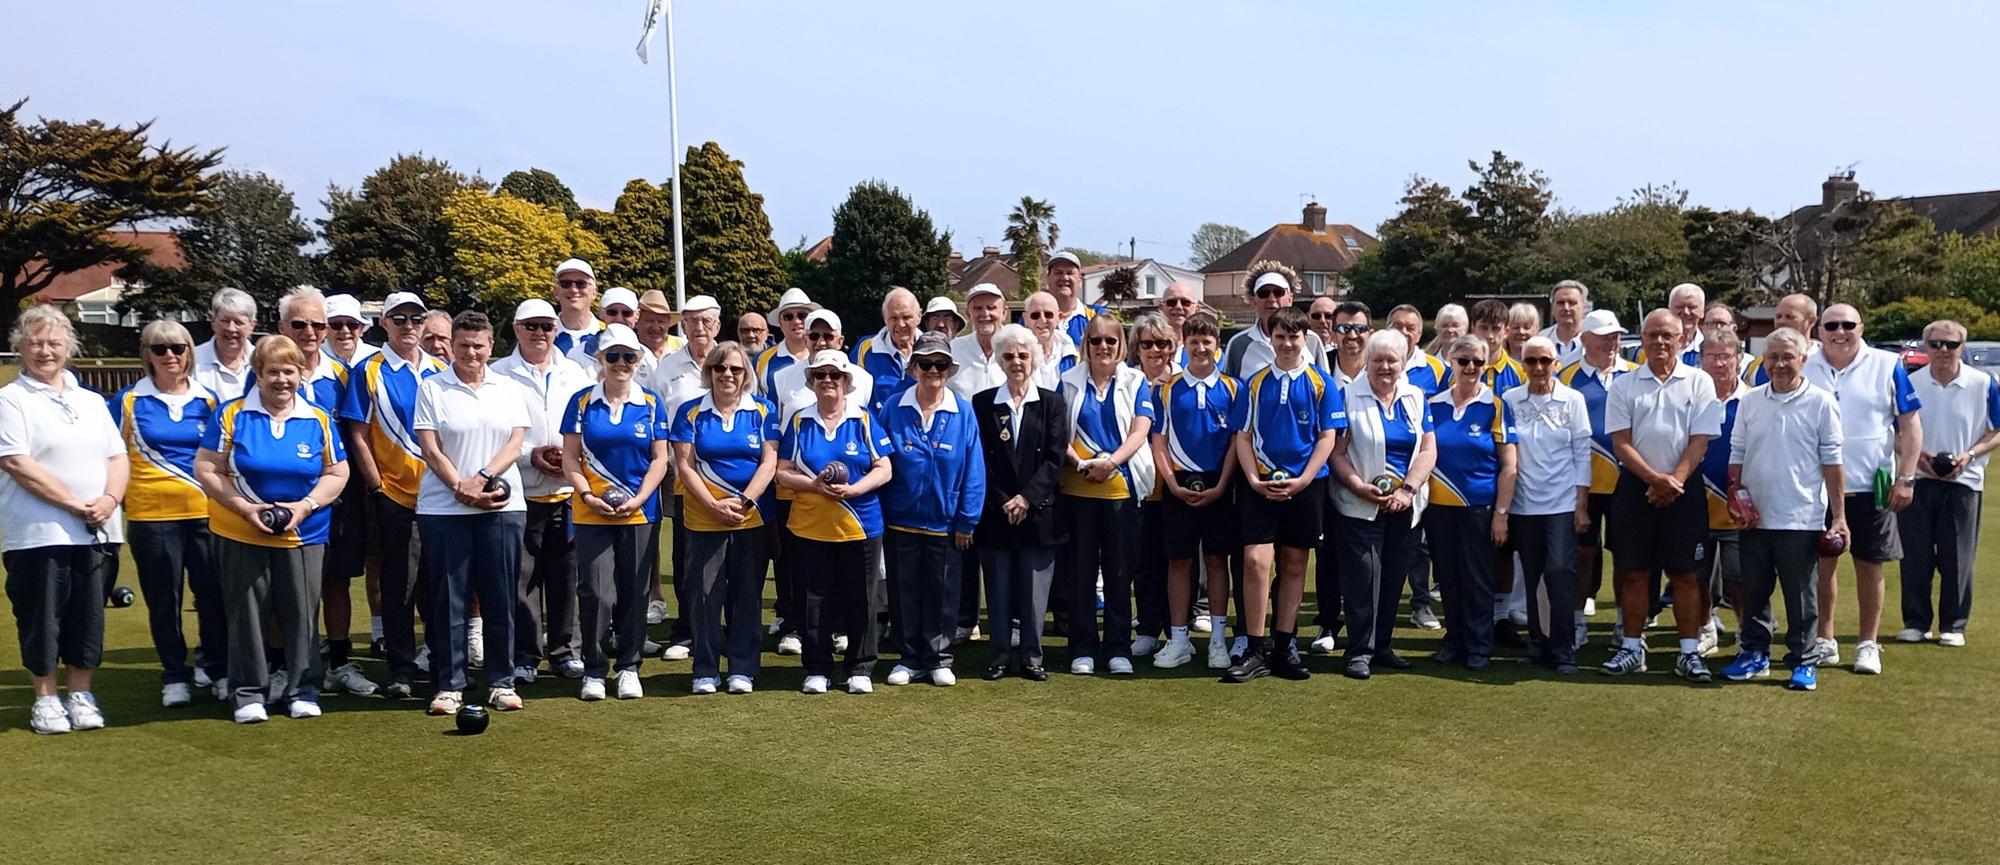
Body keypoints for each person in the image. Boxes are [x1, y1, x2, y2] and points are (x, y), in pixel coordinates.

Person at [194, 334, 349, 724]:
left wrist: (305, 506)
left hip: (305, 532)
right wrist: (245, 508)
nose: (282, 380)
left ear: (301, 374)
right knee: (247, 613)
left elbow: (337, 471)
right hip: (240, 530)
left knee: (301, 613)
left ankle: (302, 689)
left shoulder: (317, 418)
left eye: (290, 371)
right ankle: (249, 693)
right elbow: (207, 468)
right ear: (258, 374)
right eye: (272, 371)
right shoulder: (231, 414)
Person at [0, 306, 128, 734]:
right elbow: (17, 463)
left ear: (69, 347)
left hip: (97, 532)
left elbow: (117, 456)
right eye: (35, 342)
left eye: (54, 342)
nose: (44, 351)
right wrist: (76, 504)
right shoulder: (10, 399)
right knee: (41, 617)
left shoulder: (91, 401)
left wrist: (110, 499)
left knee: (87, 617)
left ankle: (81, 695)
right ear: (20, 347)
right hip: (37, 534)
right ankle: (46, 700)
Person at [413, 311, 530, 716]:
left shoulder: (508, 387)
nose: (470, 353)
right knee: (449, 599)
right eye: (463, 345)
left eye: (478, 346)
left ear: (490, 347)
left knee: (500, 596)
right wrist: (459, 487)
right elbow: (430, 448)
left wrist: (480, 479)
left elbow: (515, 443)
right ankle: (449, 685)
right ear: (452, 346)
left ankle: (502, 681)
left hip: (501, 506)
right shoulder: (432, 387)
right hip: (444, 508)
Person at [1721, 327, 1846, 692]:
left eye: (1787, 357)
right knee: (1754, 591)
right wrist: (1736, 496)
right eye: (1772, 357)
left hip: (1801, 516)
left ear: (1803, 360)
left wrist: (1838, 516)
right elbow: (1737, 454)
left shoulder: (1822, 402)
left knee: (1801, 596)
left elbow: (1833, 461)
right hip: (1754, 517)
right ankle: (1755, 654)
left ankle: (1804, 660)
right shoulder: (1751, 400)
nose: (1778, 364)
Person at [1603, 310, 1721, 681]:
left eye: (1667, 335)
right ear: (1642, 338)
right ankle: (1632, 648)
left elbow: (1700, 441)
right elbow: (1620, 443)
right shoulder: (1624, 385)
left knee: (1686, 575)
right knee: (1635, 573)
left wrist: (1673, 482)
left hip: (1683, 491)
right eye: (1652, 334)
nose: (1659, 342)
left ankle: (1688, 653)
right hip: (1636, 490)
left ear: (1681, 339)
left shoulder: (1700, 382)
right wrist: (1656, 480)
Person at [339, 291, 447, 698]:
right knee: (399, 584)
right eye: (399, 319)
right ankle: (402, 668)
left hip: (441, 496)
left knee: (439, 585)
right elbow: (357, 434)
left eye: (416, 319)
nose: (409, 327)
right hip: (395, 496)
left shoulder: (440, 369)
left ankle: (441, 664)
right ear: (383, 323)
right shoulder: (370, 370)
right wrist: (377, 487)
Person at [1804, 303, 1921, 675]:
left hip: (1873, 485)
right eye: (1831, 325)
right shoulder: (1804, 362)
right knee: (1821, 567)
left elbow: (1910, 426)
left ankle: (1868, 644)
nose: (1840, 332)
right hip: (1814, 487)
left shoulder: (1887, 365)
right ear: (1818, 329)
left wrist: (1906, 477)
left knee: (1870, 566)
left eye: (1848, 325)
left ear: (1861, 327)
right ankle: (1825, 639)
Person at [1226, 307, 1340, 682]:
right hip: (1259, 486)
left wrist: (1306, 478)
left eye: (1294, 336)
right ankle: (1254, 648)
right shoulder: (1254, 383)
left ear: (1305, 339)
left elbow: (1328, 437)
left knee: (1293, 566)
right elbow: (1242, 436)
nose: (1287, 343)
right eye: (1280, 337)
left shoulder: (1323, 382)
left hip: (1306, 486)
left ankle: (1284, 645)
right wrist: (1254, 479)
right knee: (1256, 563)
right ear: (1271, 340)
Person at [115, 320, 226, 706]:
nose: (170, 356)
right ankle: (174, 674)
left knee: (213, 594)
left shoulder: (209, 400)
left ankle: (214, 666)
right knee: (165, 598)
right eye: (160, 348)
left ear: (189, 353)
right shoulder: (128, 401)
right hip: (151, 515)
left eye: (178, 348)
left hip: (205, 513)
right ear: (146, 353)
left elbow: (221, 458)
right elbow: (111, 456)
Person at [559, 324, 672, 699]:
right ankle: (595, 668)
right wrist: (588, 495)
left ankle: (628, 666)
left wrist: (639, 499)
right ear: (599, 360)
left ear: (638, 360)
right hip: (592, 511)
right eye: (613, 356)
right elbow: (570, 458)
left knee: (635, 592)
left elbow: (660, 460)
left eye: (628, 356)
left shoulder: (652, 402)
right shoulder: (580, 402)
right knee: (595, 591)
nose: (621, 363)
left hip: (639, 512)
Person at [273, 287, 375, 695]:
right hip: (281, 497)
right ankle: (284, 667)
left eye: (320, 324)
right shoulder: (268, 374)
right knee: (286, 584)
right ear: (283, 327)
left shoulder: (344, 376)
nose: (312, 332)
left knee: (336, 581)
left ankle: (339, 662)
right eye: (301, 324)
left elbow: (355, 437)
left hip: (336, 497)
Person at [775, 350, 893, 695]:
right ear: (811, 382)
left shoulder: (864, 419)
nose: (828, 380)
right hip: (810, 525)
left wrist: (854, 489)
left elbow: (884, 468)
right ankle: (817, 667)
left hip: (861, 524)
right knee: (814, 599)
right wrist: (812, 485)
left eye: (835, 375)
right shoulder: (799, 421)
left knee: (861, 598)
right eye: (821, 375)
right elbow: (783, 472)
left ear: (846, 382)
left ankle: (859, 667)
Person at [492, 298, 594, 683]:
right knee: (523, 578)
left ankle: (566, 652)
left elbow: (587, 429)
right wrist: (529, 455)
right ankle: (526, 656)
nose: (540, 333)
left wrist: (570, 459)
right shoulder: (499, 373)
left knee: (568, 577)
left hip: (568, 491)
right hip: (519, 491)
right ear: (516, 329)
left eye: (547, 326)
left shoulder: (577, 373)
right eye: (531, 326)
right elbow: (496, 434)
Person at [669, 341, 778, 694]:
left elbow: (769, 461)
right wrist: (714, 505)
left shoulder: (762, 410)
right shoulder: (689, 411)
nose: (727, 375)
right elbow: (684, 466)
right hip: (703, 516)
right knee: (703, 594)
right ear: (709, 372)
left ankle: (742, 667)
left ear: (746, 374)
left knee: (746, 593)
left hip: (751, 515)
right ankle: (705, 669)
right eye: (720, 368)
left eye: (735, 369)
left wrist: (746, 500)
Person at [878, 332, 985, 687]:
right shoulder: (893, 408)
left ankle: (939, 657)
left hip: (946, 521)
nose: (933, 370)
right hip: (900, 519)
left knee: (942, 592)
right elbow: (880, 461)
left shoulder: (963, 411)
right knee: (904, 592)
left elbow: (974, 469)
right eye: (926, 363)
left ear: (950, 370)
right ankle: (909, 658)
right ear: (914, 367)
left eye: (940, 364)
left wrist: (967, 520)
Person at [1056, 315, 1156, 676]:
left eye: (1110, 341)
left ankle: (1118, 648)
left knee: (1118, 573)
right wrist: (1082, 464)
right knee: (1080, 573)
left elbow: (1140, 429)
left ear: (1121, 346)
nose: (1103, 347)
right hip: (1077, 489)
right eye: (1096, 341)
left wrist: (1110, 463)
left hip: (1121, 490)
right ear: (1086, 344)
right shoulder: (1067, 381)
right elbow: (1058, 431)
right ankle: (1082, 647)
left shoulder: (1135, 380)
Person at [971, 324, 1068, 681]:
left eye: (1023, 355)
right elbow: (980, 459)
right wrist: (1004, 501)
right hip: (997, 514)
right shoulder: (982, 404)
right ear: (999, 360)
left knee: (1033, 595)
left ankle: (1032, 658)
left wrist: (1026, 499)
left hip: (1039, 513)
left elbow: (1055, 458)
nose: (1016, 362)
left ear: (1035, 358)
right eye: (1009, 356)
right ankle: (998, 657)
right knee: (997, 592)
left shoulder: (1052, 402)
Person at [1898, 320, 2000, 648]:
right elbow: (1896, 432)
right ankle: (1916, 622)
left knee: (1958, 555)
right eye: (1937, 344)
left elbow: (1996, 429)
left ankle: (1953, 624)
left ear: (1962, 348)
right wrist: (1919, 456)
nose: (1943, 351)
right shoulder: (1910, 382)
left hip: (1964, 480)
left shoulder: (1983, 383)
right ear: (1926, 347)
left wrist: (1969, 455)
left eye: (1951, 345)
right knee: (1915, 554)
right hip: (1918, 477)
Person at [1149, 313, 1239, 668]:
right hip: (1179, 483)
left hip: (1219, 483)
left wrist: (1221, 485)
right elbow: (1159, 440)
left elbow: (1236, 440)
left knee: (1217, 560)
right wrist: (1171, 483)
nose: (1201, 348)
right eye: (1194, 342)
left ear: (1218, 345)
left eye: (1207, 341)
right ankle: (1179, 639)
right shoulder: (1168, 389)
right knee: (1179, 561)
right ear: (1184, 345)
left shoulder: (1233, 388)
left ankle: (1218, 640)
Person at [1419, 335, 1513, 670]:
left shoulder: (1496, 405)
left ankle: (1479, 645)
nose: (1470, 367)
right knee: (1448, 576)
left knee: (1477, 577)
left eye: (1477, 361)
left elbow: (1509, 466)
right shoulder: (1433, 404)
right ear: (1450, 361)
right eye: (1463, 361)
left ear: (1485, 365)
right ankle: (1454, 640)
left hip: (1479, 507)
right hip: (1439, 507)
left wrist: (1501, 513)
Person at [1501, 336, 1589, 673]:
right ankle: (1538, 643)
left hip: (1561, 503)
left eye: (1545, 361)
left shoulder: (1572, 400)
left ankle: (1563, 647)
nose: (1538, 368)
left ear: (1556, 363)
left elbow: (1582, 453)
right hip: (1524, 504)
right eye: (1531, 361)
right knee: (1533, 573)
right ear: (1523, 364)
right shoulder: (1509, 400)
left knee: (1558, 572)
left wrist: (1581, 504)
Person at [1557, 309, 1637, 645]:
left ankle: (1623, 621)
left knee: (1626, 555)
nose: (1612, 341)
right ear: (1585, 339)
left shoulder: (1635, 373)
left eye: (1616, 335)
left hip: (1627, 482)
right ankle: (1576, 621)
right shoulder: (1566, 376)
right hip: (1581, 484)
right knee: (1582, 554)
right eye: (1604, 335)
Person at [948, 283, 1011, 641]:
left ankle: (1006, 619)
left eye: (992, 307)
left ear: (1004, 311)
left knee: (1003, 544)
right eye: (978, 308)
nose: (985, 314)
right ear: (968, 313)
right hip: (964, 461)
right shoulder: (955, 350)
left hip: (1007, 463)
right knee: (965, 540)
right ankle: (964, 618)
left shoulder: (1015, 345)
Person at [1691, 327, 1746, 657]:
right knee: (1697, 575)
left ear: (1738, 360)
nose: (1719, 363)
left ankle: (1746, 630)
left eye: (1726, 356)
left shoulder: (1753, 399)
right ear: (1701, 360)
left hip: (1739, 504)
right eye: (1712, 356)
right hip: (1695, 499)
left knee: (1739, 576)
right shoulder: (1690, 397)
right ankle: (1705, 626)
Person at [1128, 312, 1180, 657]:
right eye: (1147, 343)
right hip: (1138, 486)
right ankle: (1147, 626)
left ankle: (1178, 626)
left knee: (1177, 558)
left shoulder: (1181, 382)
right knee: (1143, 561)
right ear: (1136, 347)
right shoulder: (1127, 382)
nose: (1155, 350)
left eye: (1162, 343)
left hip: (1176, 483)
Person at [1222, 269, 1327, 381]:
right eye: (1264, 294)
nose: (1271, 299)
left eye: (1278, 292)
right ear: (1254, 302)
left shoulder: (1312, 340)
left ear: (1290, 298)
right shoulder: (1238, 344)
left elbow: (1324, 385)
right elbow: (1229, 391)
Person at [773, 309, 875, 420]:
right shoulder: (782, 378)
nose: (821, 343)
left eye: (828, 336)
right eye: (814, 336)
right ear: (805, 340)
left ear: (840, 341)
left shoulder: (864, 379)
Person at [853, 287, 921, 414]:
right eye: (894, 318)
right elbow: (854, 396)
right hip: (878, 429)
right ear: (885, 319)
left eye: (906, 317)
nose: (901, 324)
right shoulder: (866, 349)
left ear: (919, 317)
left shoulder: (930, 350)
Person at [1743, 293, 1821, 386]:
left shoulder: (1826, 361)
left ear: (1811, 321)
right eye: (1778, 316)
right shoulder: (1758, 366)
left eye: (1789, 317)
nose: (1781, 321)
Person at [194, 287, 257, 401]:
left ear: (252, 325)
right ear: (213, 322)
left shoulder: (262, 360)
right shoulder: (192, 360)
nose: (231, 328)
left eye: (238, 322)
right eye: (225, 321)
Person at [756, 287, 819, 396]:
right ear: (780, 323)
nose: (796, 321)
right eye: (788, 317)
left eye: (802, 315)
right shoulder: (761, 360)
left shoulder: (825, 355)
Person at [566, 287, 641, 375]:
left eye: (627, 313)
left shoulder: (647, 359)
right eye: (612, 312)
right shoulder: (577, 355)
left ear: (637, 315)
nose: (619, 318)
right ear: (601, 313)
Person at [1023, 291, 1081, 392]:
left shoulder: (1075, 356)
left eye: (1048, 314)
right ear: (1025, 318)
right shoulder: (1014, 355)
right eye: (1035, 315)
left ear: (1058, 317)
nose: (1042, 320)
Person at [1466, 299, 1524, 395]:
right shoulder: (1459, 370)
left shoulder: (1521, 372)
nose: (1490, 336)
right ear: (1473, 329)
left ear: (1506, 331)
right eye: (1484, 328)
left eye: (1496, 328)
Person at [552, 258, 605, 356]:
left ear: (594, 292)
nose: (574, 290)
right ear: (556, 291)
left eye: (581, 284)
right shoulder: (542, 335)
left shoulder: (606, 334)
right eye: (566, 284)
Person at [1046, 250, 1099, 346]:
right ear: (1048, 279)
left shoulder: (1097, 316)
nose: (1064, 277)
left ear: (1080, 281)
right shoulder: (1033, 318)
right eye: (1058, 273)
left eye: (1070, 273)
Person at [324, 294, 379, 367]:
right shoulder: (313, 358)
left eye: (352, 324)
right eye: (336, 324)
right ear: (324, 329)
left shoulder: (378, 359)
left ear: (361, 329)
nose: (345, 330)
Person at [1541, 280, 1589, 364]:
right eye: (1560, 303)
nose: (1566, 308)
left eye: (1571, 303)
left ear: (1584, 306)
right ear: (1552, 307)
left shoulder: (1595, 340)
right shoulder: (1541, 339)